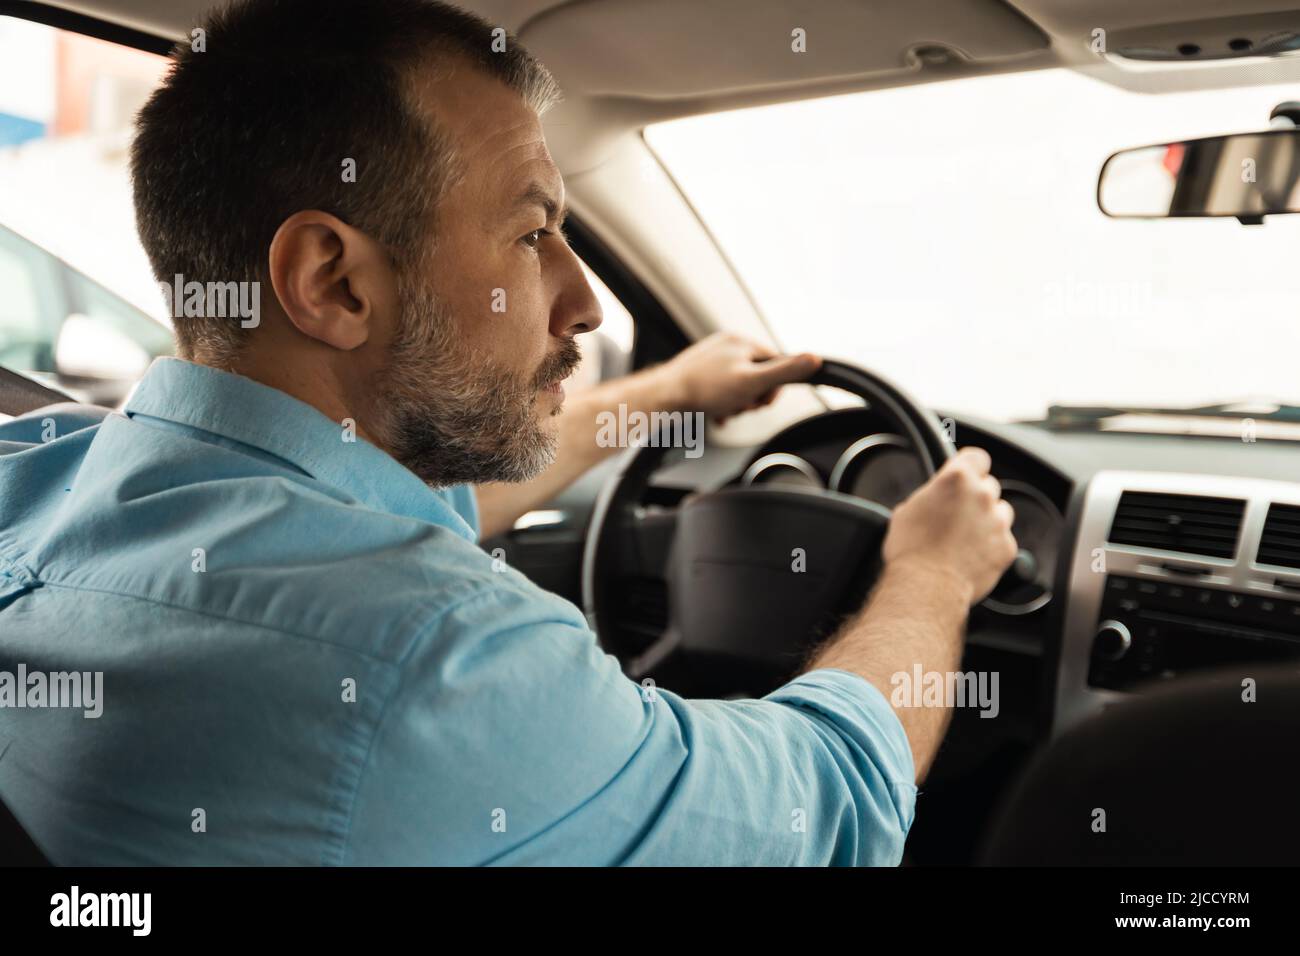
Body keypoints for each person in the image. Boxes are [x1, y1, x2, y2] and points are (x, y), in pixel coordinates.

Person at [0, 0, 1016, 864]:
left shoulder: (44, 471)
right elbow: (829, 801)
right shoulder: (432, 659)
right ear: (333, 280)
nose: (584, 303)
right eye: (533, 234)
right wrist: (933, 569)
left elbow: (382, 500)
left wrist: (664, 392)